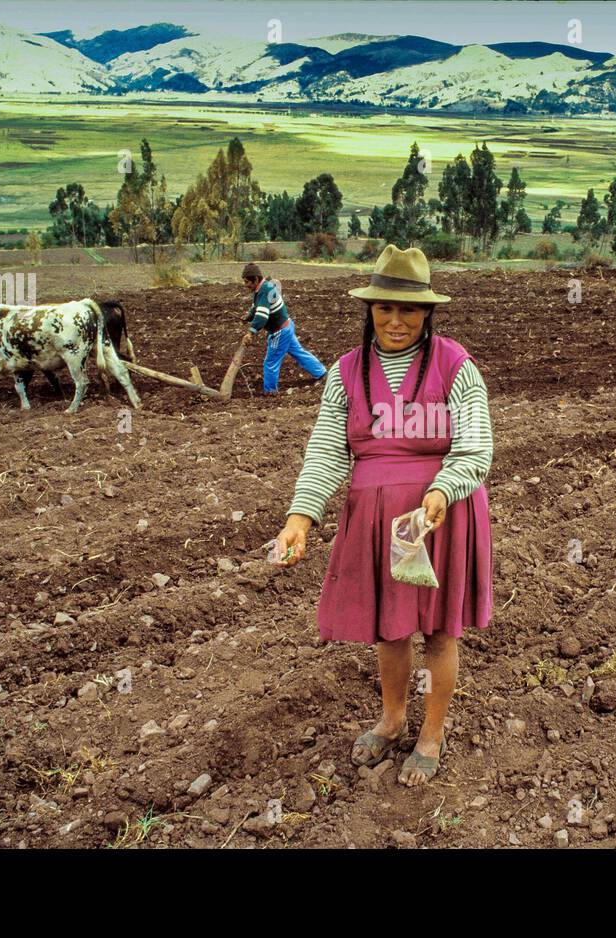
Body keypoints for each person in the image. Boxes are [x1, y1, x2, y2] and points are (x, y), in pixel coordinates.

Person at [270, 245, 493, 787]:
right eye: (384, 308)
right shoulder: (347, 372)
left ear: (428, 312)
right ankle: (392, 721)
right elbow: (327, 450)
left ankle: (431, 735)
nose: (397, 320)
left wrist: (440, 494)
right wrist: (300, 517)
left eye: (409, 309)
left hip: (440, 518)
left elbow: (475, 448)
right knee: (390, 632)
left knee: (439, 632)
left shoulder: (456, 365)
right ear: (369, 310)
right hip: (374, 519)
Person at [241, 262, 326, 392]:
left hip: (279, 332)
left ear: (256, 279)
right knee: (299, 352)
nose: (245, 285)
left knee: (270, 363)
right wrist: (248, 315)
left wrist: (251, 332)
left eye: (247, 282)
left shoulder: (264, 291)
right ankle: (322, 373)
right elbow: (256, 307)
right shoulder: (263, 288)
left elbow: (262, 316)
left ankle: (270, 392)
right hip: (287, 325)